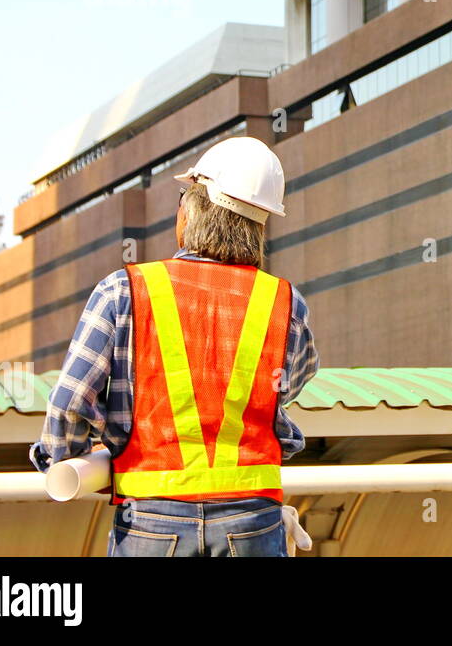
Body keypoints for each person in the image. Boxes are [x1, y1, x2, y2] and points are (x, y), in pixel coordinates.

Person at [29, 136, 319, 557]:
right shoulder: (285, 302)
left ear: (190, 210)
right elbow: (292, 380)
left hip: (152, 521)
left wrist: (64, 460)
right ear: (259, 226)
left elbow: (71, 399)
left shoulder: (123, 289)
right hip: (252, 521)